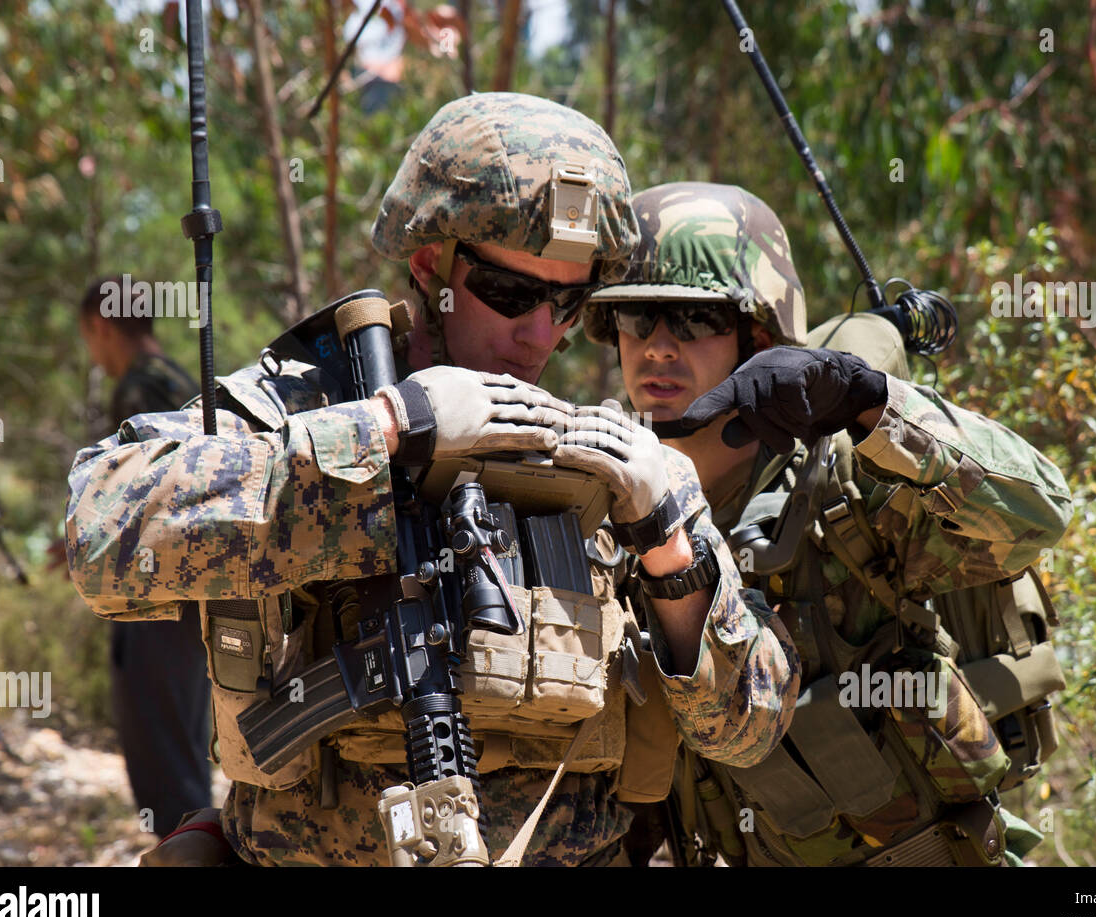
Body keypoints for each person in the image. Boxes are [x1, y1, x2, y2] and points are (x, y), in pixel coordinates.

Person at [65, 95, 797, 867]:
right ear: (428, 266)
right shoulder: (310, 407)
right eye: (512, 296)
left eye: (567, 302)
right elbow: (99, 531)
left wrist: (669, 546)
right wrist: (382, 431)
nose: (540, 334)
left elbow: (747, 730)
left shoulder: (604, 462)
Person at [582, 181, 1074, 866]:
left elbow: (1043, 512)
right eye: (637, 322)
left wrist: (870, 402)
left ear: (757, 337)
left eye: (691, 320)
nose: (657, 348)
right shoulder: (604, 514)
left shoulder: (843, 485)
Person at [76, 277, 212, 839]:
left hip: (156, 600)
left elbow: (144, 499)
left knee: (165, 760)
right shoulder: (182, 378)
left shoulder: (138, 388)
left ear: (101, 327)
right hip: (199, 589)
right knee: (182, 745)